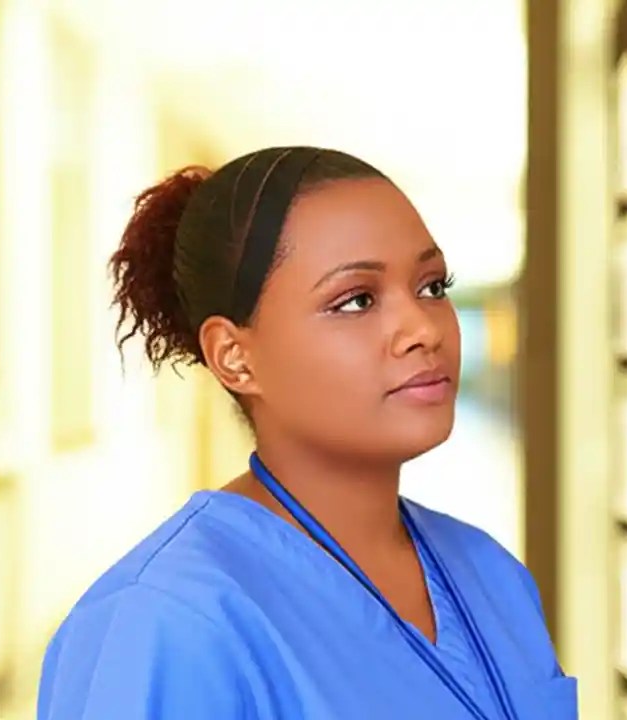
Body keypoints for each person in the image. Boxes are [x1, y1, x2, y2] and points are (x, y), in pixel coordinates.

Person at [36, 146, 577, 719]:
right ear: (236, 357)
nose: (422, 328)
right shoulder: (163, 621)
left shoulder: (491, 574)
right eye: (357, 300)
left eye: (432, 287)